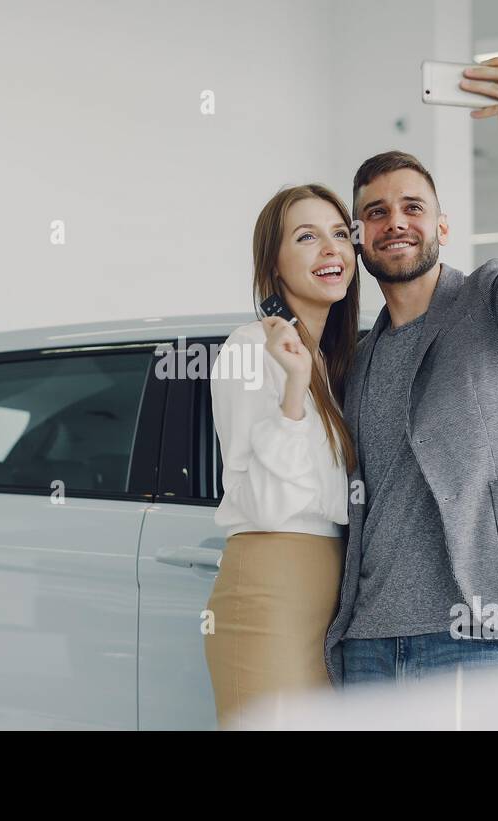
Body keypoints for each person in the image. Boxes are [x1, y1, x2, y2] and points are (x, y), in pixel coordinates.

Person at [325, 54, 498, 686]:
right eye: (376, 212)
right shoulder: (359, 362)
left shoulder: (495, 304)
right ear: (359, 237)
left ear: (441, 225)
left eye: (412, 207)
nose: (395, 222)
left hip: (479, 631)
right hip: (368, 642)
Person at [203, 183, 360, 728]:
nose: (331, 250)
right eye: (307, 237)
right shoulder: (249, 350)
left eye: (340, 234)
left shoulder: (337, 364)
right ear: (273, 262)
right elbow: (269, 505)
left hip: (330, 592)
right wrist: (293, 388)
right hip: (272, 586)